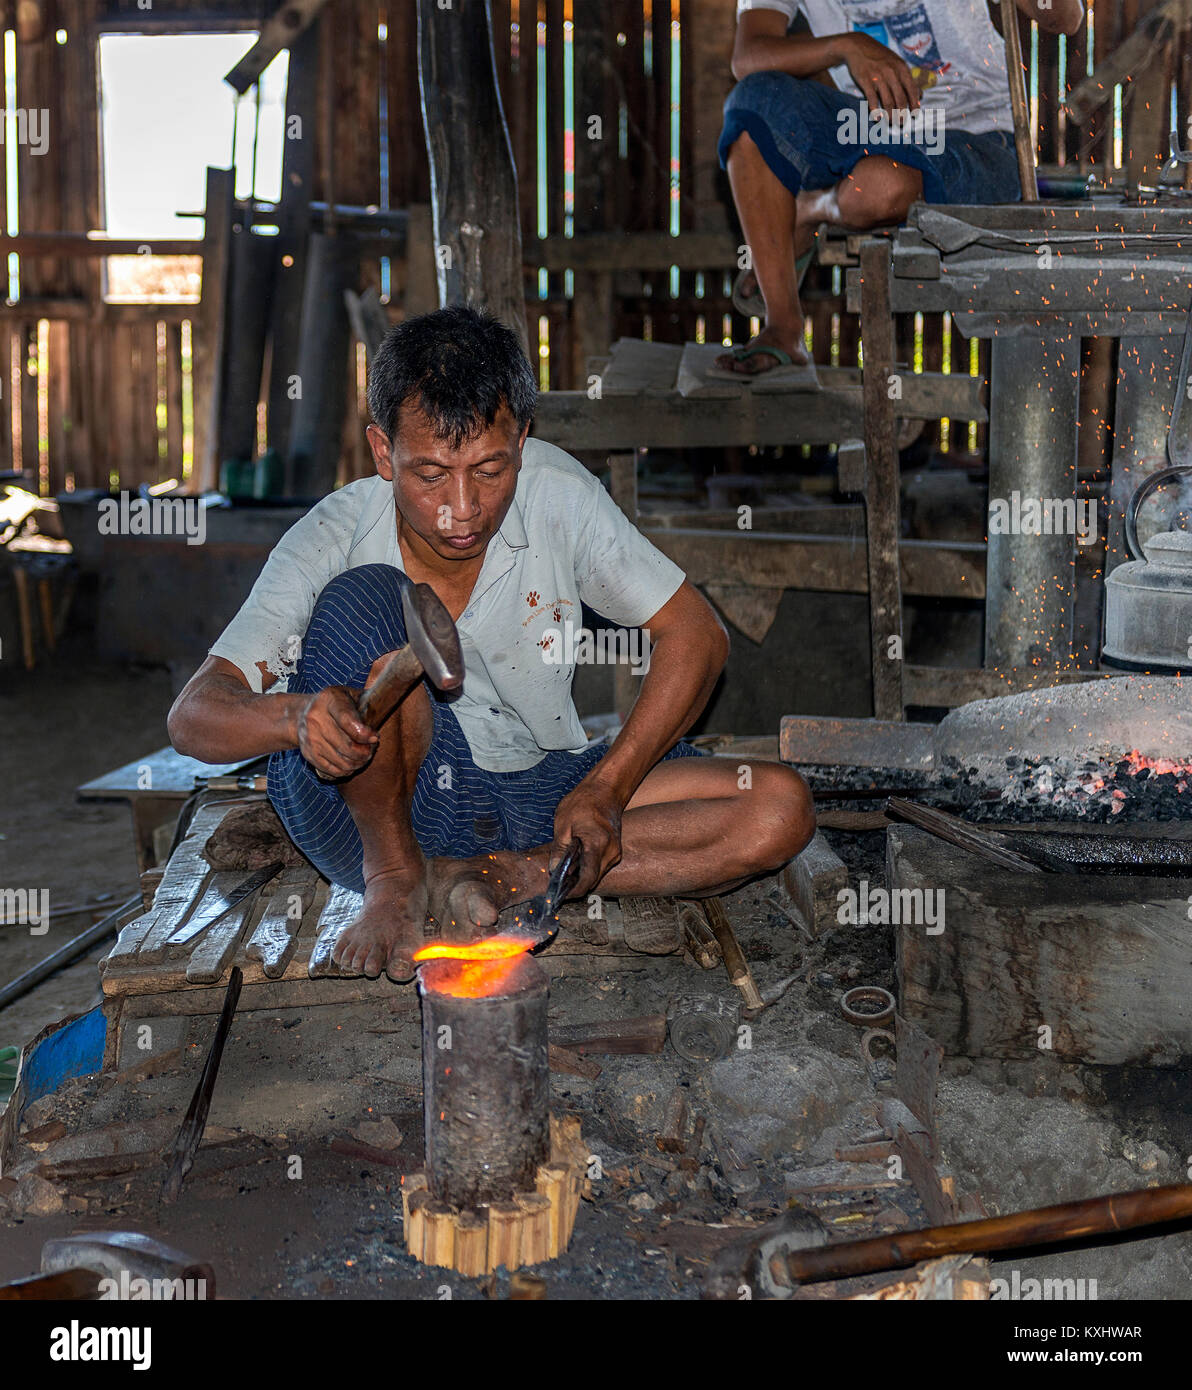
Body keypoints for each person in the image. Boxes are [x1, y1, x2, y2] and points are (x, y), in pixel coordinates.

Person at [168, 306, 815, 979]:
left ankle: (505, 874)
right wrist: (295, 717)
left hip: (536, 792)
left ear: (523, 440)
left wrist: (608, 789)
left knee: (776, 809)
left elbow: (697, 635)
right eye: (430, 475)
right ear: (384, 451)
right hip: (370, 815)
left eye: (488, 469)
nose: (462, 508)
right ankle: (397, 877)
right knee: (367, 597)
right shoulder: (330, 534)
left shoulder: (560, 495)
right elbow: (192, 717)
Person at [715, 0, 1086, 378]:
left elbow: (1066, 18)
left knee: (877, 189)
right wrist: (847, 46)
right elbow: (747, 58)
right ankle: (783, 328)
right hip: (868, 126)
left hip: (976, 132)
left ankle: (810, 209)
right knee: (752, 103)